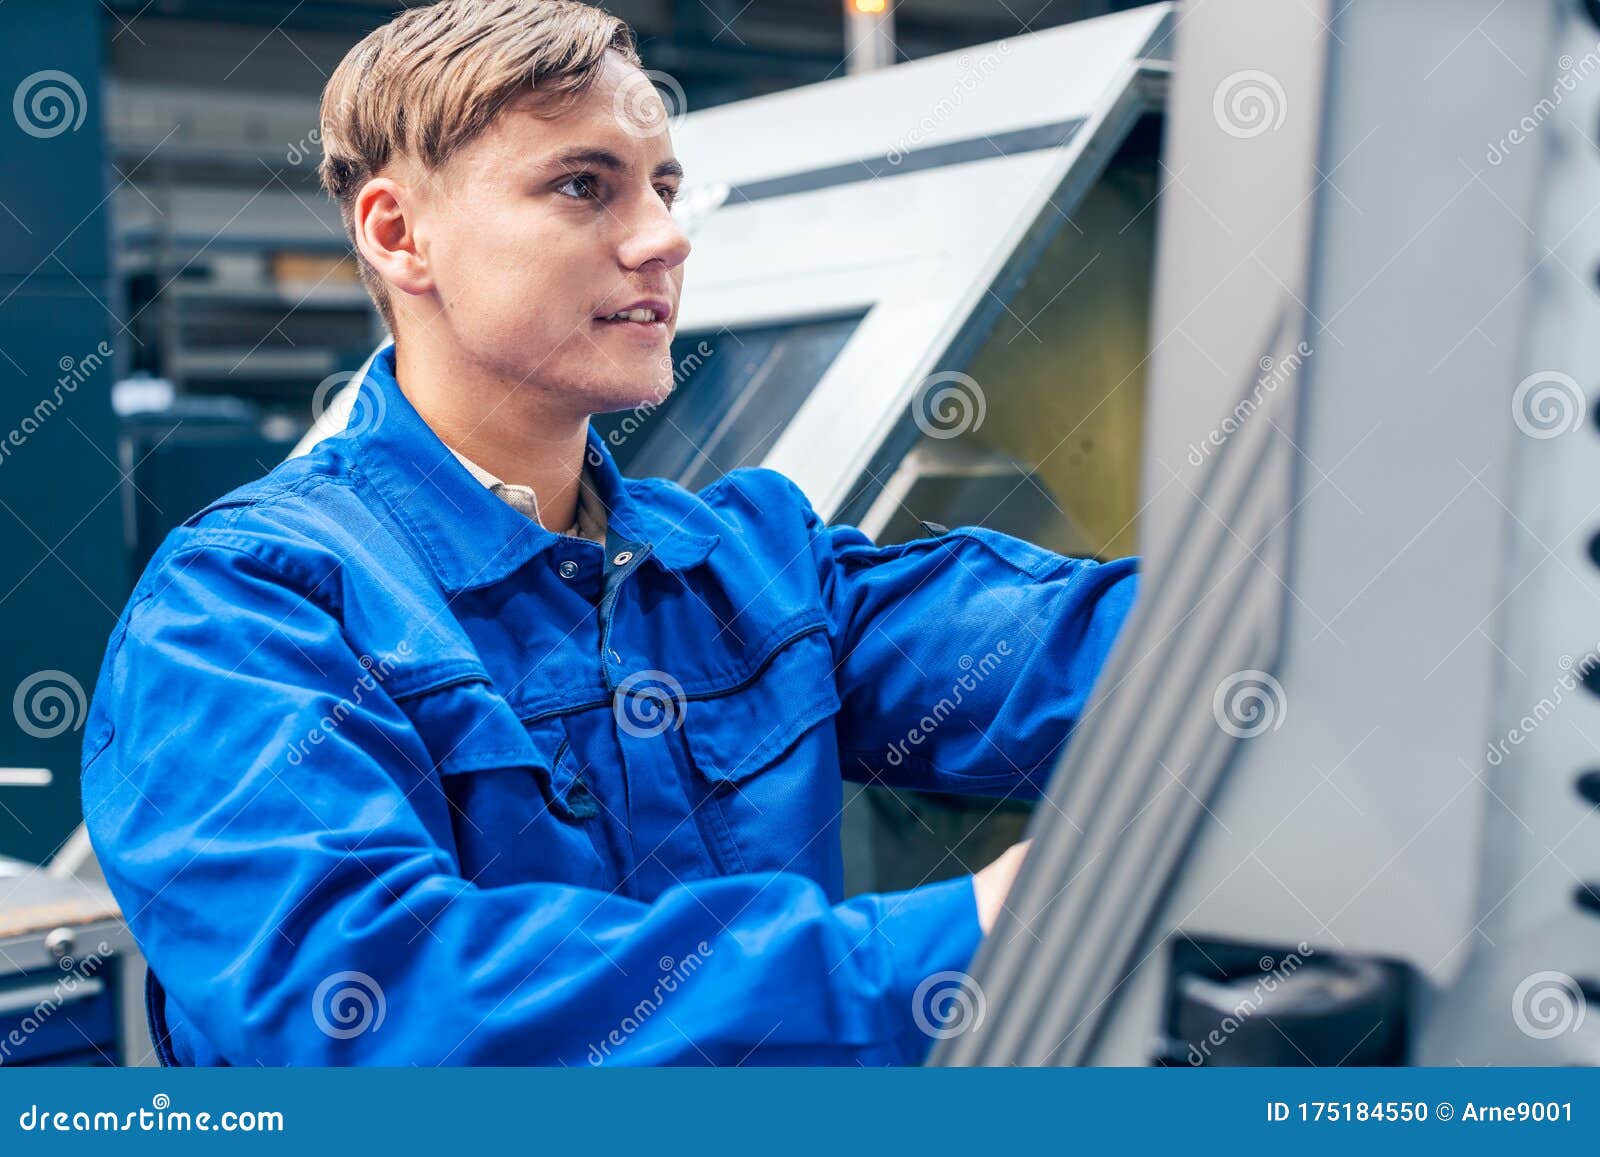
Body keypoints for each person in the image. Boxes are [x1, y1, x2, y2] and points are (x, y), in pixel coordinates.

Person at [80, 0, 1138, 1066]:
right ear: (400, 234)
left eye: (663, 188)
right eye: (583, 186)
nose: (666, 238)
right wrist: (964, 936)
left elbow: (1104, 653)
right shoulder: (243, 613)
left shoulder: (747, 563)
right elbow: (383, 1007)